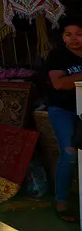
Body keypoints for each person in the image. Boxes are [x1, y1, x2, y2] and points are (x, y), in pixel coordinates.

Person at [46, 15, 82, 222]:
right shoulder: (57, 56)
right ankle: (61, 202)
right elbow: (59, 84)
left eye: (79, 34)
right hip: (63, 110)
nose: (74, 39)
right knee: (68, 153)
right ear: (63, 38)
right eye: (69, 35)